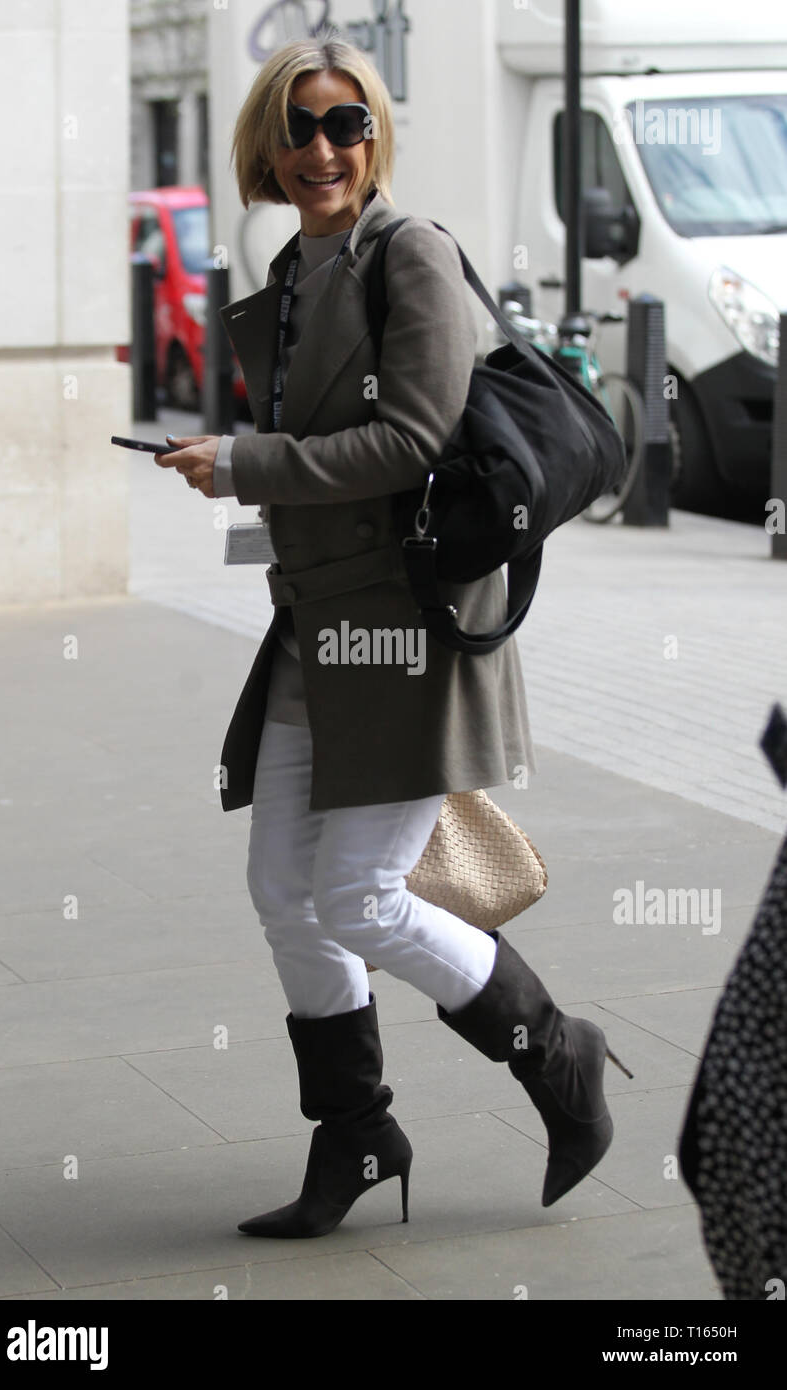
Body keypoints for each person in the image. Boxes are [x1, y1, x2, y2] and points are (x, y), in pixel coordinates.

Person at [155, 36, 628, 1239]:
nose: (322, 149)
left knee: (358, 898)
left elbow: (413, 437)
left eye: (345, 124)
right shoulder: (297, 268)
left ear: (373, 138)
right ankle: (356, 1131)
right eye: (300, 128)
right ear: (267, 142)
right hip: (318, 628)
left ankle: (556, 1053)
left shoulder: (404, 254)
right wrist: (240, 477)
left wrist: (246, 463)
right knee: (282, 888)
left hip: (411, 630)